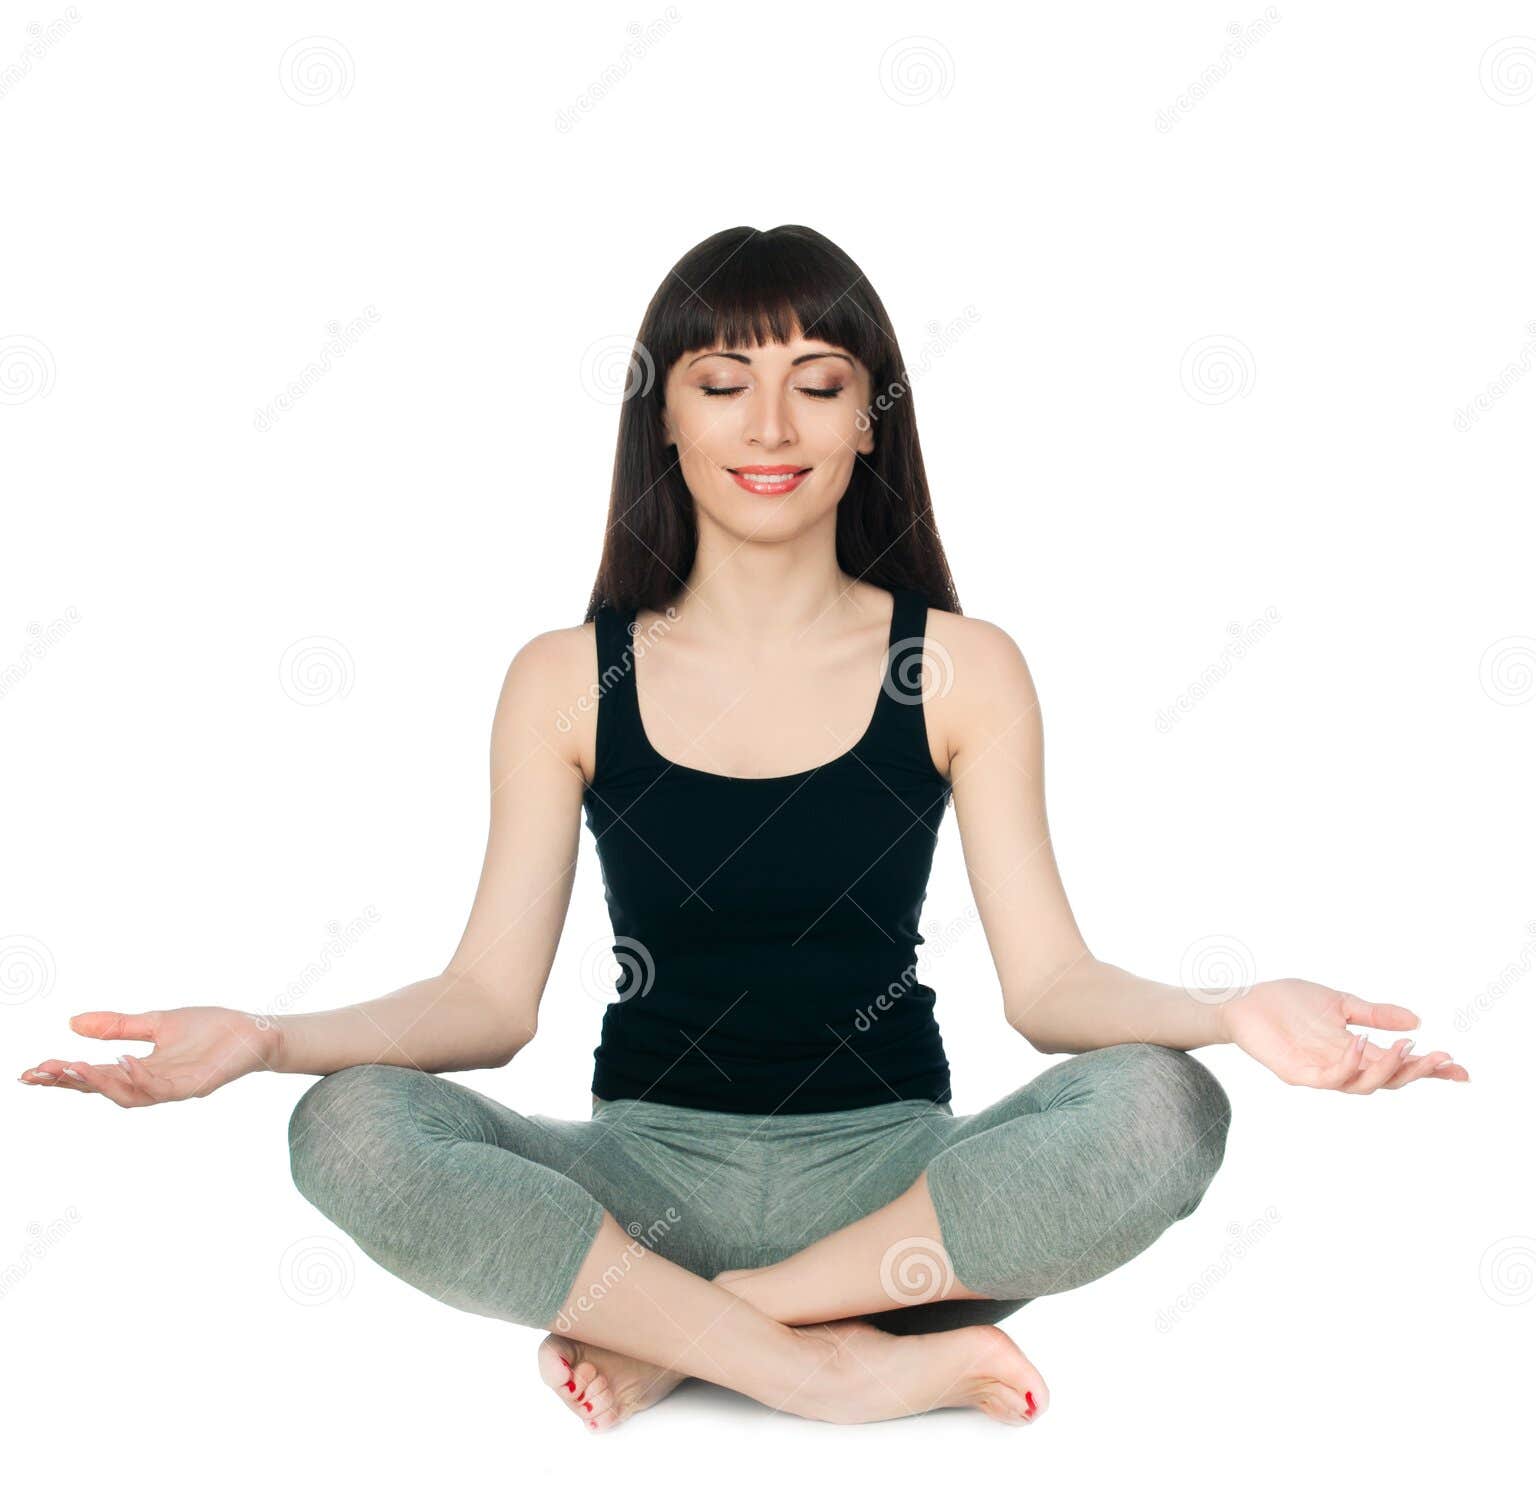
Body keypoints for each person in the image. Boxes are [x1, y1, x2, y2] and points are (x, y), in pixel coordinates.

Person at [19, 226, 1469, 1435]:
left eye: (817, 384)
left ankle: (696, 1337)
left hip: (903, 1194)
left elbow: (1050, 991)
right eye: (725, 384)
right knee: (343, 1125)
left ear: (869, 416)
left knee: (1167, 1104)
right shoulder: (563, 678)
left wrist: (1231, 1011)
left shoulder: (961, 664)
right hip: (638, 1187)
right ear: (666, 413)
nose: (770, 429)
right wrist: (268, 1038)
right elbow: (483, 1003)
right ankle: (821, 1358)